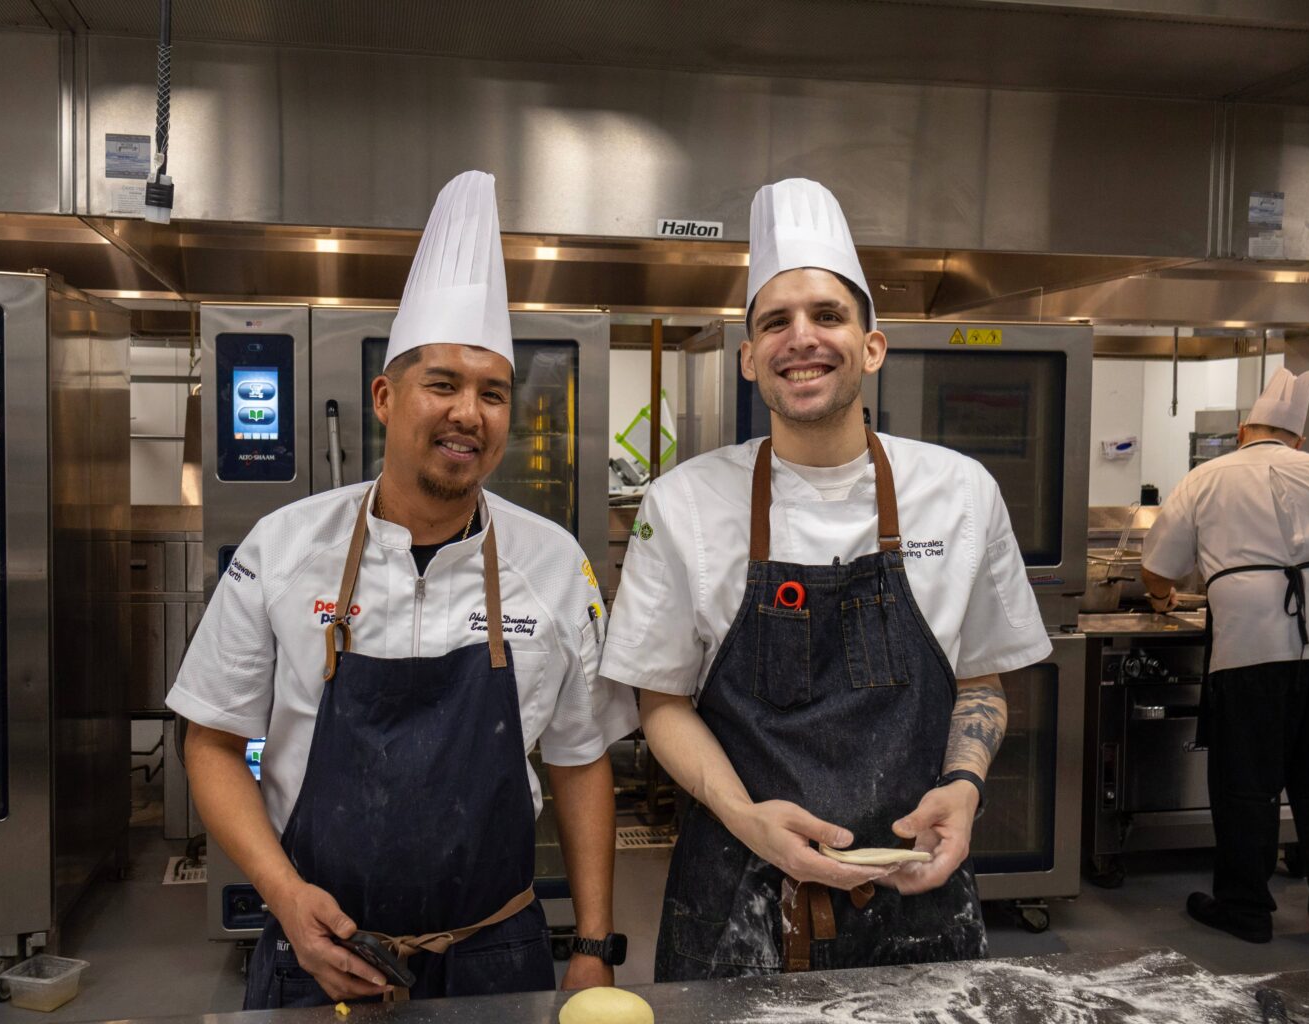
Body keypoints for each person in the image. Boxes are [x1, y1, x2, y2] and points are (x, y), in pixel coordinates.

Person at [168, 171, 639, 1008]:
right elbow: (209, 743)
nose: (470, 412)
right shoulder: (285, 547)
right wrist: (283, 895)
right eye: (445, 384)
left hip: (497, 951)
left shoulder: (554, 563)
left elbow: (579, 760)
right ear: (386, 398)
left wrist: (596, 943)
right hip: (315, 950)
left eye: (493, 393)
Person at [600, 178, 1051, 980]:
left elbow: (979, 681)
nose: (800, 337)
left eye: (828, 315)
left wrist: (966, 787)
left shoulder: (959, 491)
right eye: (775, 321)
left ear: (872, 347)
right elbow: (660, 702)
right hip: (736, 890)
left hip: (917, 889)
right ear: (749, 360)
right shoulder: (684, 505)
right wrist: (744, 816)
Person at [1141, 367, 1309, 949]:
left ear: (1242, 431)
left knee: (1245, 783)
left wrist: (1162, 599)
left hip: (1250, 648)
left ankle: (1246, 910)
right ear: (1299, 441)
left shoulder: (1205, 479)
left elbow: (1158, 568)